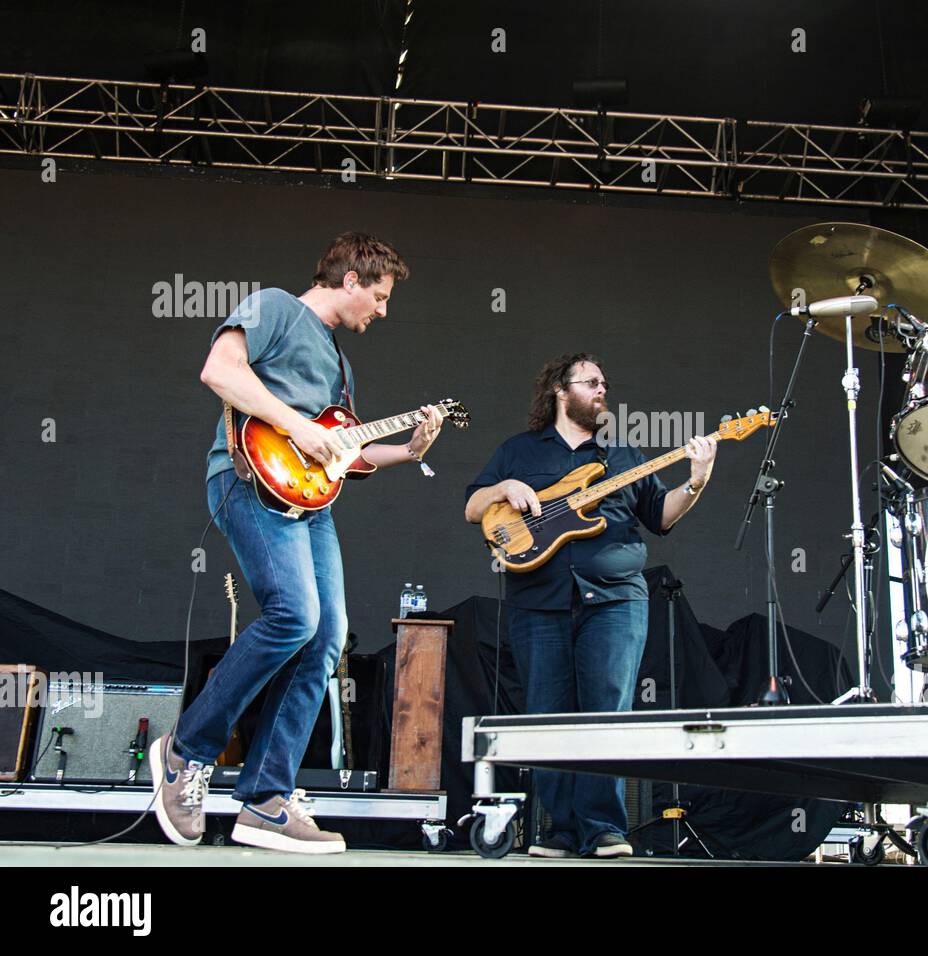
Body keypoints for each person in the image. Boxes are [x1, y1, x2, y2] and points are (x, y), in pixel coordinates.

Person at [150, 232, 444, 854]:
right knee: (294, 615)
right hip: (246, 480)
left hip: (307, 501)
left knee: (327, 634)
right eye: (382, 296)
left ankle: (265, 799)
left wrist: (407, 450)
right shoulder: (274, 306)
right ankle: (184, 753)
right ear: (351, 281)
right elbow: (218, 371)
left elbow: (343, 454)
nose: (383, 311)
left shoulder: (340, 364)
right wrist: (297, 426)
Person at [465, 354, 717, 858]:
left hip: (616, 598)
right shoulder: (518, 450)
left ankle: (604, 827)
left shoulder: (624, 453)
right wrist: (504, 487)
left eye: (605, 382)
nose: (603, 389)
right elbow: (474, 508)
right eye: (591, 382)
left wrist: (697, 478)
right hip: (539, 601)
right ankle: (558, 829)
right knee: (547, 714)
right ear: (561, 390)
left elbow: (660, 517)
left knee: (608, 711)